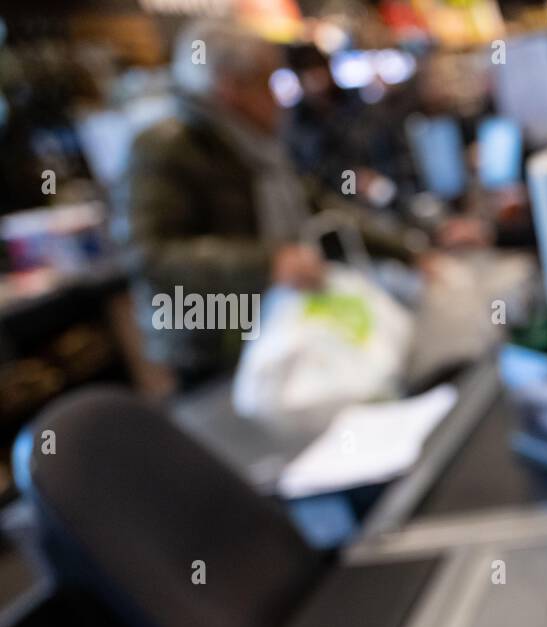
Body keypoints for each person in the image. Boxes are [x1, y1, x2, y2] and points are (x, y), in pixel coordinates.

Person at [125, 20, 420, 389]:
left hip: (278, 322)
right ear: (231, 87)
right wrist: (269, 262)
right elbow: (148, 254)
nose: (280, 98)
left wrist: (408, 251)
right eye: (268, 82)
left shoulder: (257, 142)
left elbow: (317, 206)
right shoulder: (167, 147)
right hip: (215, 343)